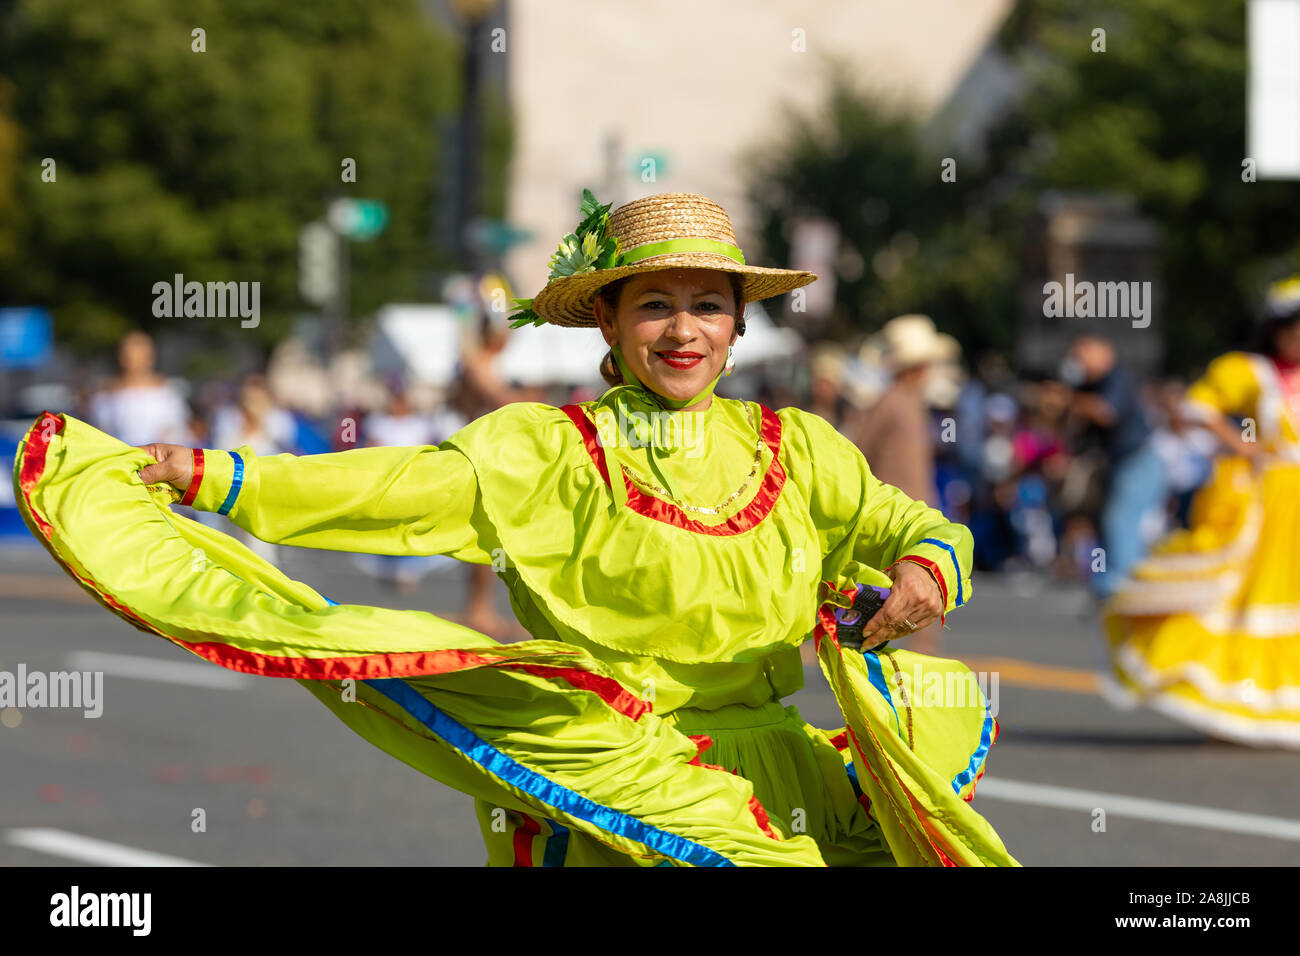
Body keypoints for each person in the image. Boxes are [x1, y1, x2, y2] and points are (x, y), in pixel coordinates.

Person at [18, 190, 1014, 866]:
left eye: (707, 305)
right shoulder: (548, 447)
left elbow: (911, 522)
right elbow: (393, 487)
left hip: (781, 763)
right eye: (655, 305)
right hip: (618, 762)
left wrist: (927, 563)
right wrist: (217, 475)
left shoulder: (797, 446)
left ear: (737, 327)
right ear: (610, 325)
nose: (682, 330)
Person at [1100, 277, 1300, 748]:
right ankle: (1222, 701)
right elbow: (1194, 408)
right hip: (1266, 503)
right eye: (1292, 326)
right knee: (1239, 597)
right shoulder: (1250, 371)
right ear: (1275, 328)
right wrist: (1244, 446)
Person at [1060, 334, 1168, 597]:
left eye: (1081, 354)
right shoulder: (1090, 385)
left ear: (1102, 352)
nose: (1077, 361)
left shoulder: (1117, 377)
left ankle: (1124, 584)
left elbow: (1107, 412)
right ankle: (1121, 580)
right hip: (1122, 463)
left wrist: (1071, 400)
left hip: (1140, 461)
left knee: (1121, 520)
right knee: (1114, 520)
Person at [86, 331, 191, 447]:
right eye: (126, 354)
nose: (130, 360)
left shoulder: (167, 394)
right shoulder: (106, 396)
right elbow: (101, 434)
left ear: (150, 357)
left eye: (138, 354)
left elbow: (175, 432)